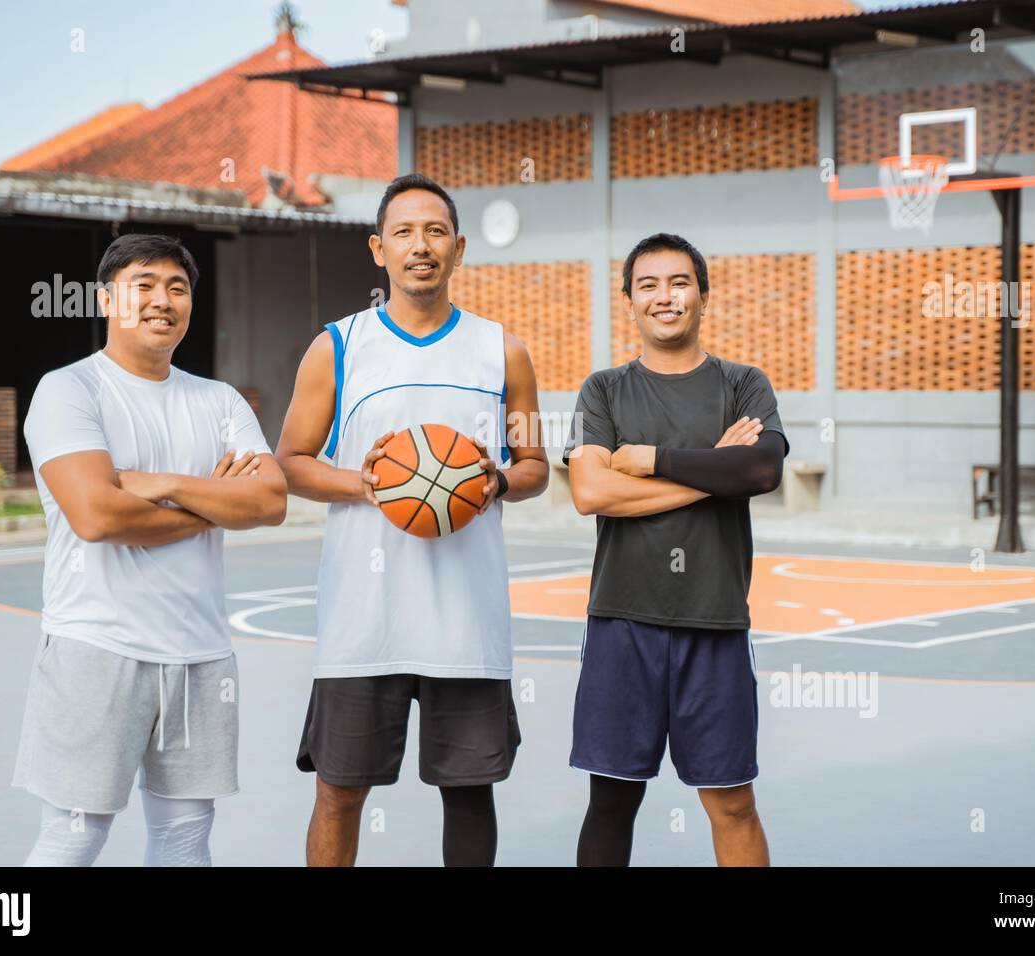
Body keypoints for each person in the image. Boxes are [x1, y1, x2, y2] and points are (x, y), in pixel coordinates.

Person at [276, 174, 549, 867]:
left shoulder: (504, 351)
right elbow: (291, 462)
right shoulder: (337, 346)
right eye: (403, 232)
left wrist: (496, 481)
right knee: (340, 792)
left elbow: (536, 465)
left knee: (470, 792)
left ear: (458, 247)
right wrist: (365, 485)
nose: (420, 246)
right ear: (379, 249)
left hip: (467, 616)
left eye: (435, 232)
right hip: (363, 619)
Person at [14, 232, 287, 866]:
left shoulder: (219, 400)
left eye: (178, 287)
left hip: (200, 653)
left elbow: (270, 502)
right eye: (144, 285)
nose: (163, 300)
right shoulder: (69, 390)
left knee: (185, 837)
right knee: (75, 834)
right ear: (107, 299)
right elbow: (97, 516)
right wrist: (215, 504)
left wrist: (164, 485)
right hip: (97, 645)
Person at [563, 232, 788, 867]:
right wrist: (713, 469)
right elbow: (590, 492)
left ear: (703, 296)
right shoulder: (604, 389)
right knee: (611, 801)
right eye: (649, 285)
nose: (665, 297)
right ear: (629, 301)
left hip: (713, 621)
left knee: (733, 803)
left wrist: (651, 460)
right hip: (622, 622)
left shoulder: (743, 383)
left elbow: (761, 471)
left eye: (680, 282)